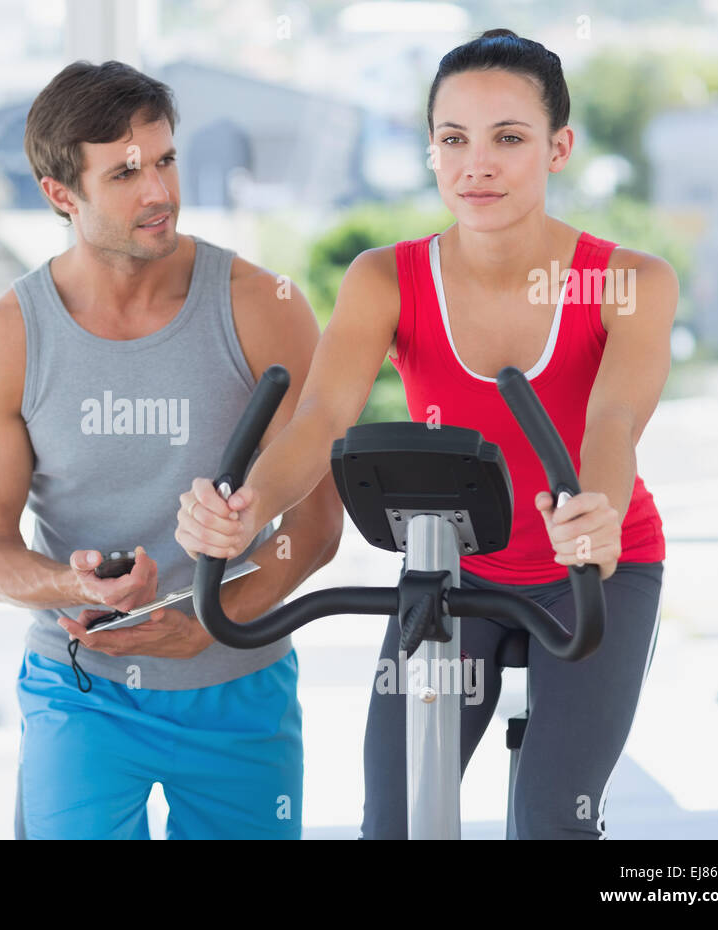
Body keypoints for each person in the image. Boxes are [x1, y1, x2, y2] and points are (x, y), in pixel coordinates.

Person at [174, 29, 675, 840]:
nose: (477, 163)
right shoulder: (386, 279)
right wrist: (247, 507)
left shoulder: (629, 281)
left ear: (560, 148)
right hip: (453, 561)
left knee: (554, 820)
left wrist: (598, 517)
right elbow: (322, 419)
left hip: (596, 570)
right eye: (454, 139)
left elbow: (613, 422)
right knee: (395, 823)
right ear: (432, 154)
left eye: (509, 138)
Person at [0, 60, 344, 840]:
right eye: (125, 172)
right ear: (61, 194)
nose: (159, 191)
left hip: (240, 678)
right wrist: (72, 584)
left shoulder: (266, 310)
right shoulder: (2, 340)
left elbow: (319, 526)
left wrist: (212, 620)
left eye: (164, 160)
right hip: (82, 688)